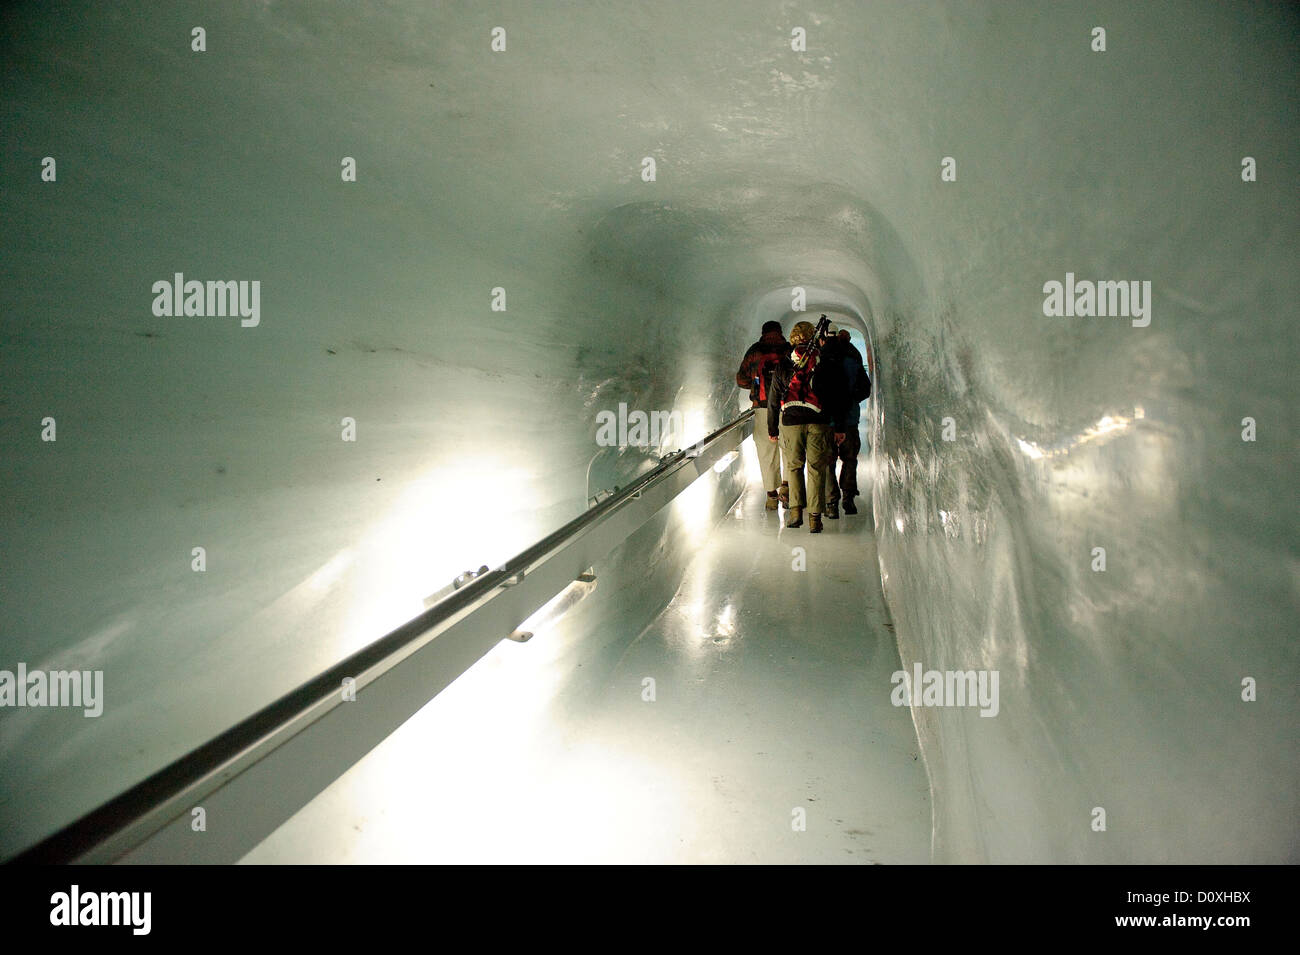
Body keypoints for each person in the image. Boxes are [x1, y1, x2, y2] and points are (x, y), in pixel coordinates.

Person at [767, 318, 849, 533]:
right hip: (818, 421)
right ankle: (815, 518)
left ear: (793, 337)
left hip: (791, 422)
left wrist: (772, 429)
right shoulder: (824, 360)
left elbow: (774, 400)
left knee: (793, 467)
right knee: (815, 469)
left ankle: (795, 514)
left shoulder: (785, 363)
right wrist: (839, 427)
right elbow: (836, 397)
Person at [735, 320, 791, 510]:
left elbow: (741, 380)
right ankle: (786, 488)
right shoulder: (787, 349)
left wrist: (755, 385)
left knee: (767, 452)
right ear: (781, 332)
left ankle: (771, 496)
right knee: (789, 448)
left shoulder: (754, 352)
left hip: (762, 407)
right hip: (786, 407)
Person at [821, 325, 871, 517]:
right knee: (849, 459)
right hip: (850, 419)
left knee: (828, 461)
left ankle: (831, 502)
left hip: (827, 420)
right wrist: (852, 400)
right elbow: (865, 388)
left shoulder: (823, 359)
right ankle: (848, 497)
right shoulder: (853, 359)